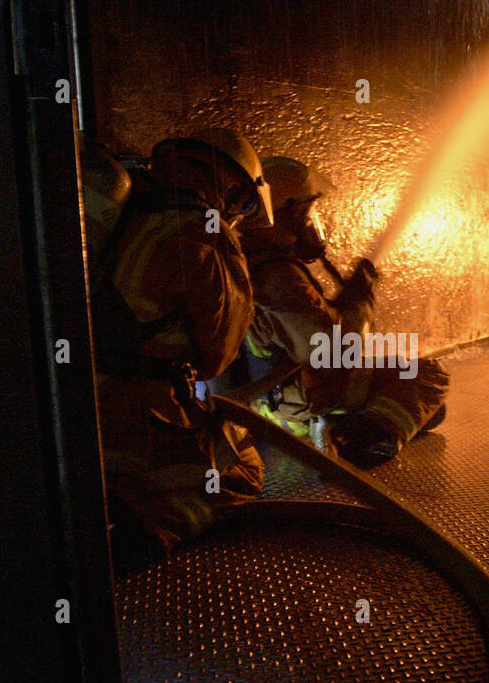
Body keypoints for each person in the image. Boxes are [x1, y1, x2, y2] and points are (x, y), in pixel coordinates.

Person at [80, 129, 272, 563]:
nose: (237, 214)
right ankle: (157, 525)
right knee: (243, 465)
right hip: (141, 415)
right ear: (229, 183)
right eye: (242, 203)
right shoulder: (205, 230)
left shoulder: (123, 208)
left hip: (78, 408)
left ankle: (114, 494)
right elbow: (217, 354)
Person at [240, 156, 449, 468]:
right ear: (288, 212)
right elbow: (335, 351)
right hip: (302, 398)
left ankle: (340, 426)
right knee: (428, 375)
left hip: (269, 398)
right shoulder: (279, 276)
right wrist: (360, 301)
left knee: (430, 410)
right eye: (307, 211)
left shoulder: (246, 260)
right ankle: (352, 444)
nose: (310, 222)